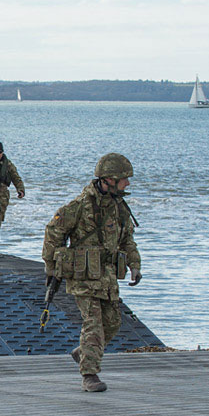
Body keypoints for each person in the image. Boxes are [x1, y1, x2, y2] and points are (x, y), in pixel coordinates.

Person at [42, 153, 142, 393]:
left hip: (107, 277)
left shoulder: (119, 208)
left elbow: (127, 240)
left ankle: (84, 352)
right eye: (124, 179)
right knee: (93, 324)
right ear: (109, 180)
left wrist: (135, 265)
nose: (127, 183)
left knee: (113, 323)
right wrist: (52, 267)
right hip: (84, 277)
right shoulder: (79, 206)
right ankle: (90, 375)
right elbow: (53, 233)